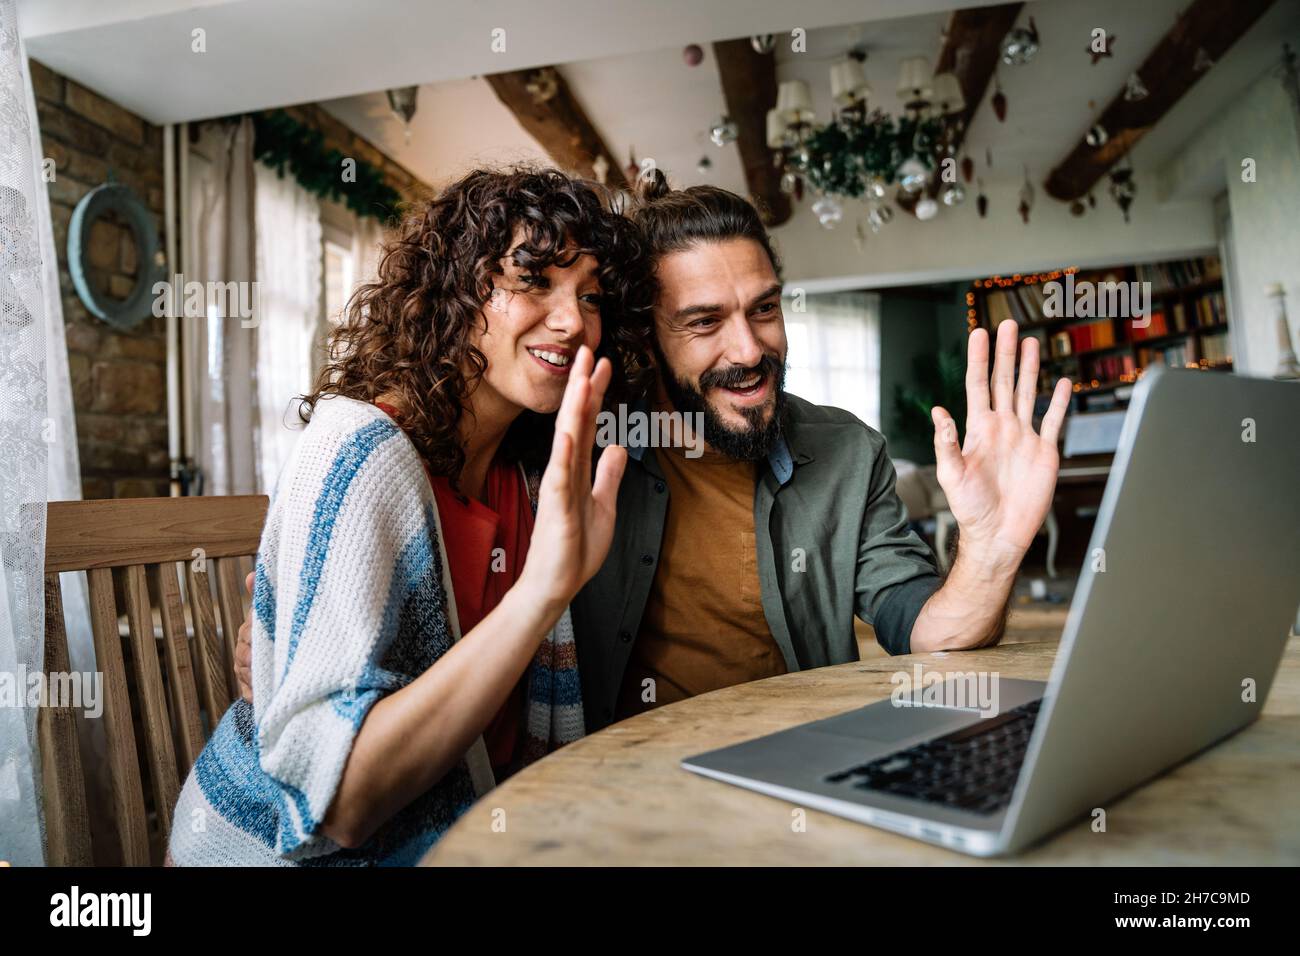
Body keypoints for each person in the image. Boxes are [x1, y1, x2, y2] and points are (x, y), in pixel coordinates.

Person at [168, 167, 650, 865]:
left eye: (592, 296)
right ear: (456, 288)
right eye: (534, 279)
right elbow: (339, 806)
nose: (574, 321)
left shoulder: (534, 474)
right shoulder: (357, 452)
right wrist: (544, 589)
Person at [572, 172, 1070, 731]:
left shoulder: (849, 452)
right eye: (705, 321)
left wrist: (990, 549)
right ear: (645, 337)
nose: (749, 349)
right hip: (625, 779)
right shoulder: (582, 450)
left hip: (805, 763)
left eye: (763, 310)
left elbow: (929, 633)